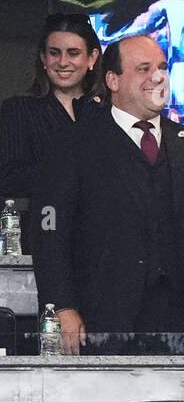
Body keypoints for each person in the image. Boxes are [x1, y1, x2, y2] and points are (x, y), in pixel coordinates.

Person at [32, 34, 184, 352]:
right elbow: (50, 237)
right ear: (113, 80)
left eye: (163, 67)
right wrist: (61, 308)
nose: (158, 77)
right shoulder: (73, 146)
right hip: (103, 321)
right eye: (144, 68)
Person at [0, 13, 105, 252]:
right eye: (54, 53)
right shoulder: (19, 109)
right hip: (41, 237)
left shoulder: (106, 112)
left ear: (92, 58)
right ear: (43, 59)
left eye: (73, 53)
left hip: (101, 245)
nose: (63, 62)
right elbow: (9, 177)